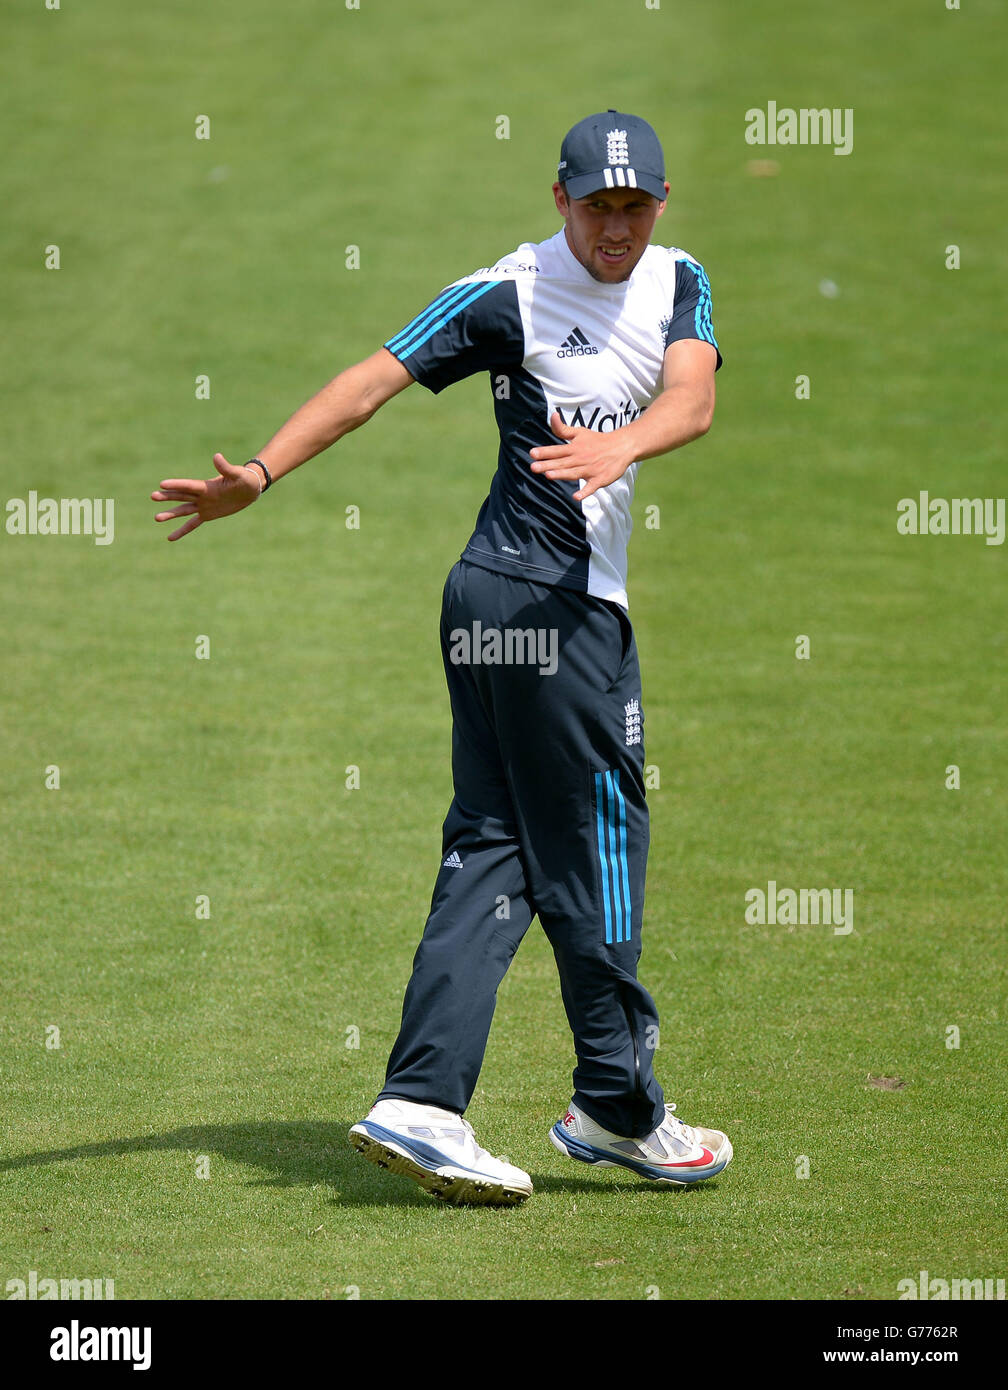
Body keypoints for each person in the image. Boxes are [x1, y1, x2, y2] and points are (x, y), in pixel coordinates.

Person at [153, 110, 732, 1207]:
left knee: (497, 840)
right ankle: (618, 1105)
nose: (617, 226)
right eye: (598, 205)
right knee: (601, 838)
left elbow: (693, 394)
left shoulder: (679, 280)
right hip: (541, 609)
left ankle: (422, 1101)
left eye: (636, 205)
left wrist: (625, 440)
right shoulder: (506, 292)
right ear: (559, 199)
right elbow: (373, 376)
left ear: (659, 205)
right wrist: (261, 474)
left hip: (506, 605)